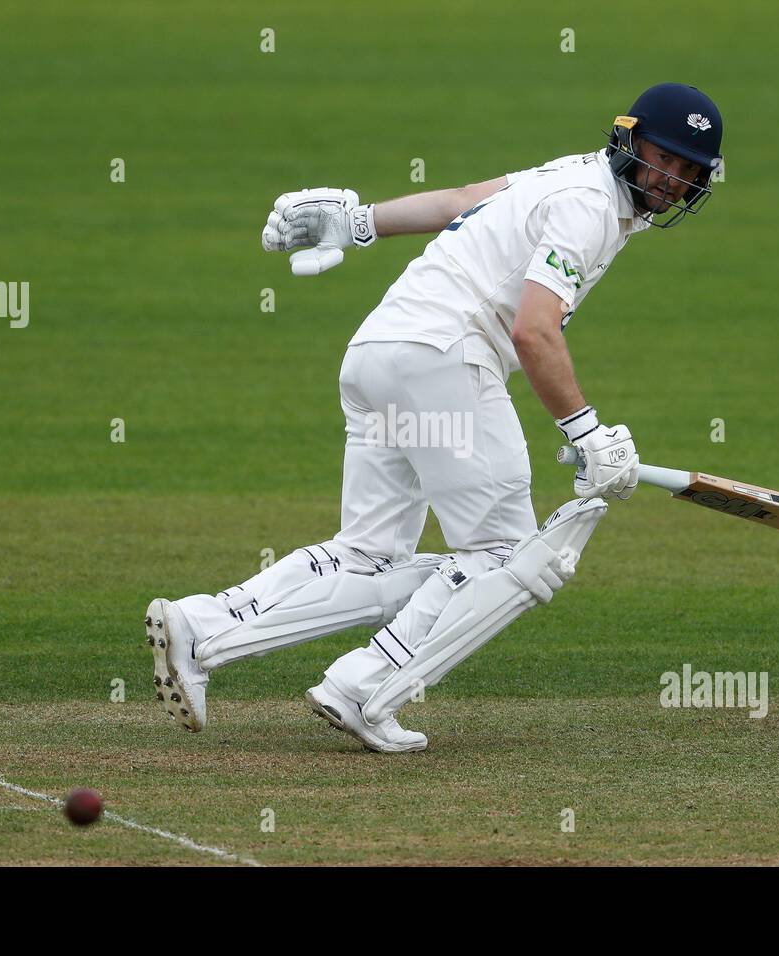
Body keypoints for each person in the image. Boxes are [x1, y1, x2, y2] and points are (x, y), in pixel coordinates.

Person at [145, 82, 724, 752]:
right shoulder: (589, 205)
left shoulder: (570, 175)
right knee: (508, 557)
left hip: (381, 354)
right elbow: (536, 332)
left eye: (686, 171)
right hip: (444, 360)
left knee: (367, 555)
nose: (668, 178)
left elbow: (459, 201)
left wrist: (361, 222)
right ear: (629, 141)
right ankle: (365, 685)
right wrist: (588, 434)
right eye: (661, 157)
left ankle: (203, 627)